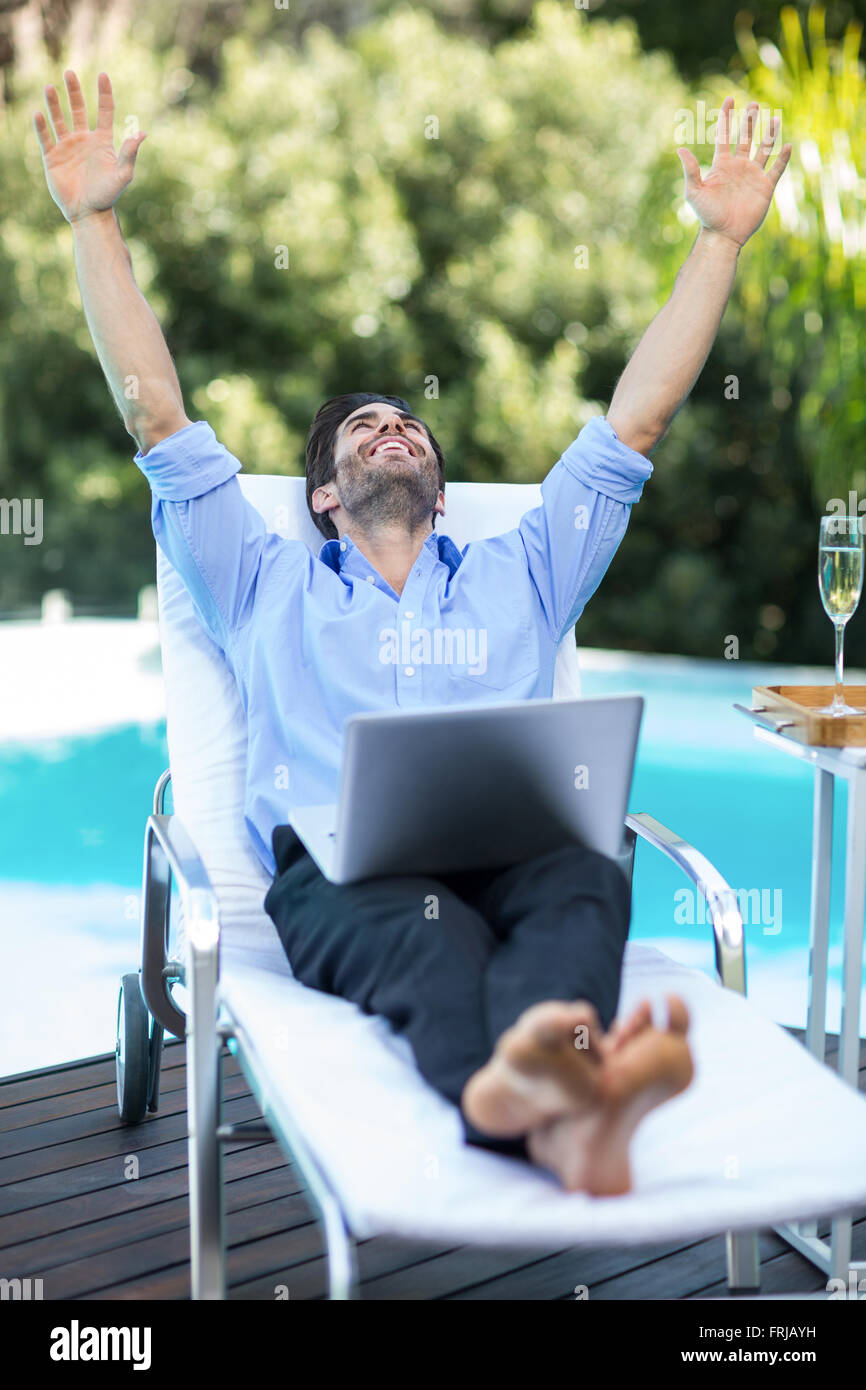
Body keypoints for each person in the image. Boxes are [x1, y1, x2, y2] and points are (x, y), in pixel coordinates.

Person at [35, 70, 790, 1194]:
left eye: (407, 426)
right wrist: (94, 220)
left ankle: (552, 1083)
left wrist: (721, 241)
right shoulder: (259, 578)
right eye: (361, 429)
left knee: (584, 885)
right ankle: (550, 1094)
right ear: (325, 497)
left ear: (436, 487)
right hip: (347, 872)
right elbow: (154, 409)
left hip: (515, 857)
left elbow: (639, 414)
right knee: (433, 942)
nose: (391, 428)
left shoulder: (526, 568)